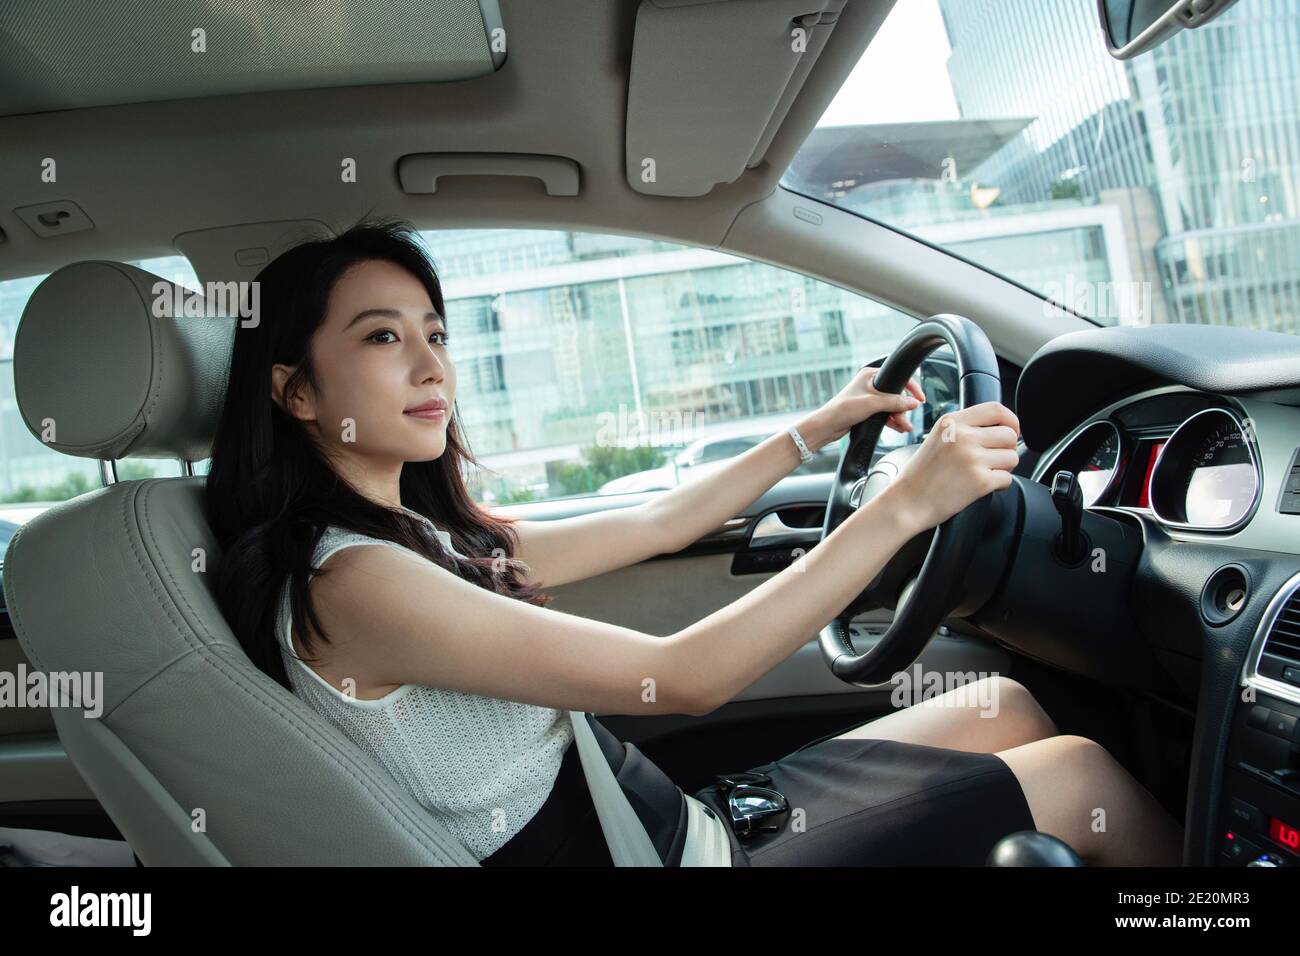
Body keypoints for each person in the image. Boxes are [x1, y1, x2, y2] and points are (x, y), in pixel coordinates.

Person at [207, 216, 1183, 866]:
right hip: (672, 856)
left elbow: (659, 520)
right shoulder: (355, 580)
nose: (430, 364)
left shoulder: (414, 537)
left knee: (1003, 703)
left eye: (435, 331)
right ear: (293, 389)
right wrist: (904, 504)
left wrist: (819, 424)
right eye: (382, 338)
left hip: (671, 818)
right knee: (1081, 777)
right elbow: (677, 678)